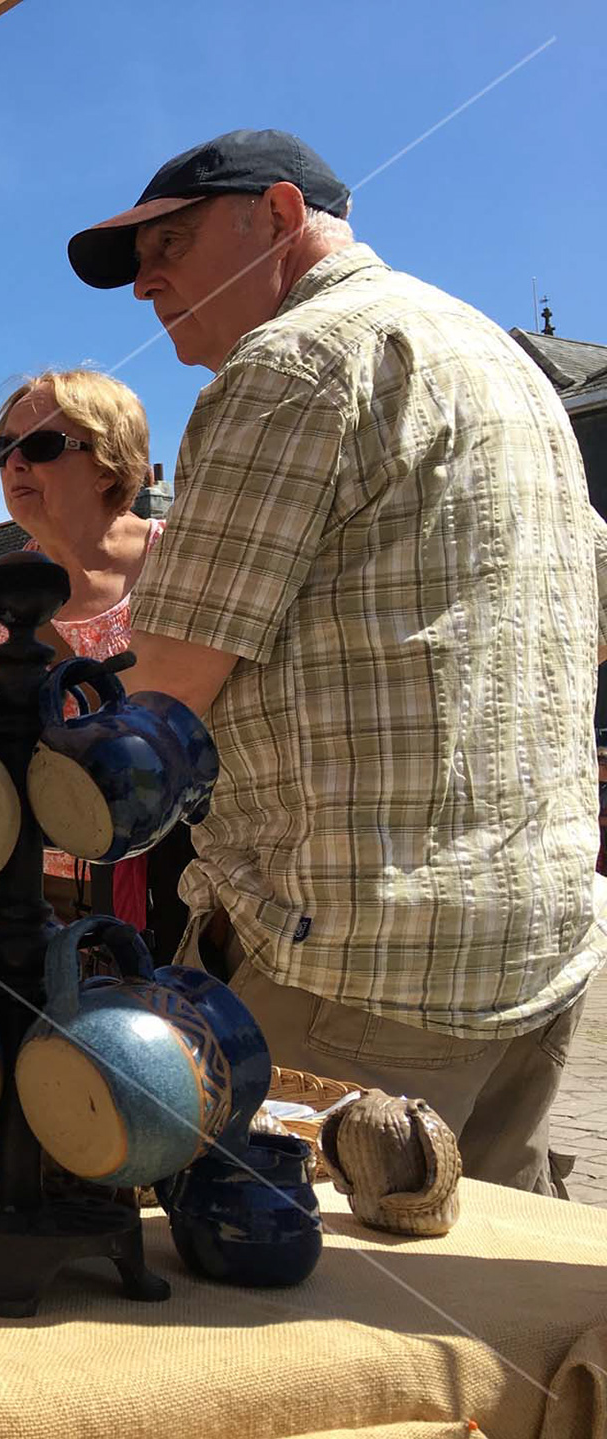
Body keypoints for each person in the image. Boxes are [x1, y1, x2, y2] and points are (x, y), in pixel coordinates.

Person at [67, 128, 604, 1191]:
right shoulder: (509, 367)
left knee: (265, 1312)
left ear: (275, 215)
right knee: (462, 1327)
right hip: (535, 947)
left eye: (169, 242)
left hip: (353, 965)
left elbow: (167, 687)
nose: (147, 286)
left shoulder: (298, 359)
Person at [0, 369, 160, 932]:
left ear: (108, 464)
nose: (14, 464)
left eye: (41, 445)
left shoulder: (181, 560)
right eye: (3, 450)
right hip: (44, 881)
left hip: (176, 870)